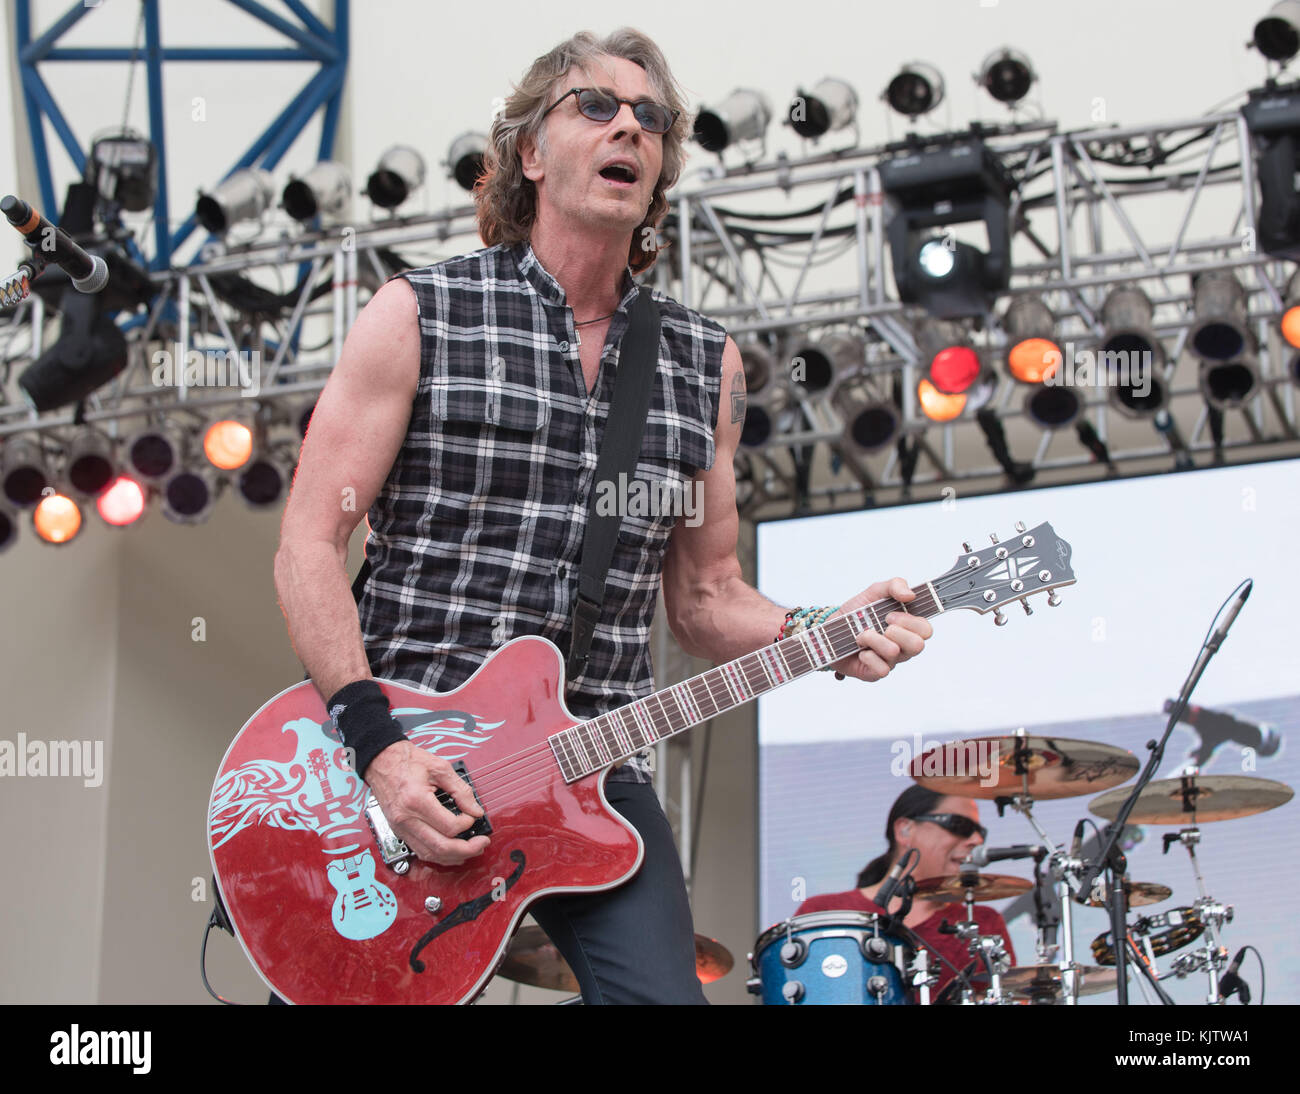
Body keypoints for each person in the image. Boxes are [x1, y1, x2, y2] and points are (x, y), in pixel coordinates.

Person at [273, 28, 933, 1005]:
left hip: (593, 768)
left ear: (658, 171)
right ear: (530, 154)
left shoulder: (704, 365)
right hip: (404, 752)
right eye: (595, 105)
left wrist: (815, 632)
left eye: (651, 118)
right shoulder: (418, 315)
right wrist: (378, 748)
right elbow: (307, 544)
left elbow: (706, 597)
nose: (630, 123)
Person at [796, 785, 1016, 1000]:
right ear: (905, 830)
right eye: (959, 825)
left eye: (981, 833)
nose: (976, 841)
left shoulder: (982, 923)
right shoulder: (823, 912)